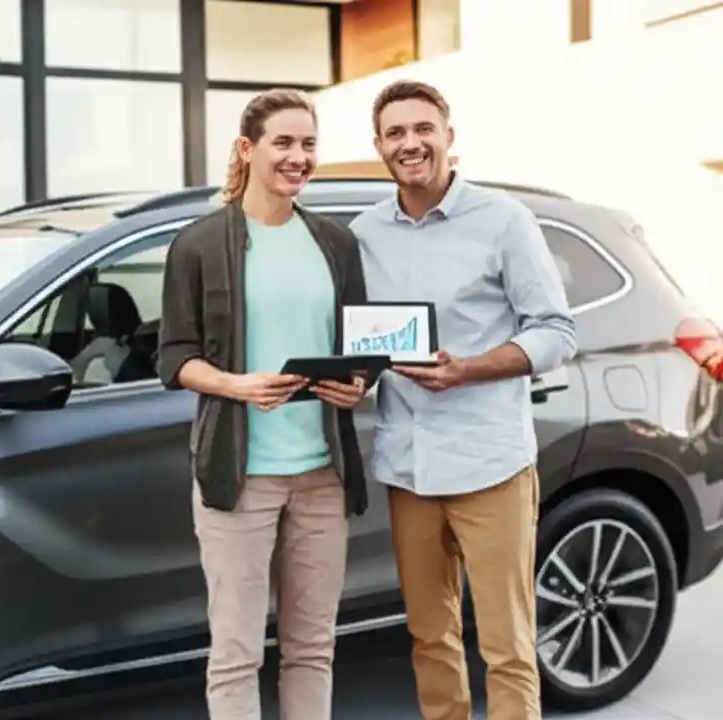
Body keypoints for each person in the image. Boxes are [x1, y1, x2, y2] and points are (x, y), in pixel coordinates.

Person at [348, 80, 578, 720]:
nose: (410, 143)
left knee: (506, 646)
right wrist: (354, 379)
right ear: (379, 147)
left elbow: (557, 331)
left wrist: (469, 369)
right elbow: (371, 342)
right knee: (429, 637)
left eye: (423, 129)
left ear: (449, 136)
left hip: (489, 463)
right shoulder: (365, 233)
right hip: (408, 464)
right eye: (396, 133)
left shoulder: (503, 220)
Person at [157, 88, 372, 720]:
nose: (298, 157)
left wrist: (359, 384)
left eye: (308, 144)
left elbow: (360, 350)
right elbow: (174, 357)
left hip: (320, 477)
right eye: (284, 142)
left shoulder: (336, 244)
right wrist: (236, 385)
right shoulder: (198, 244)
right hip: (239, 475)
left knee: (312, 648)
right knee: (235, 651)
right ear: (248, 149)